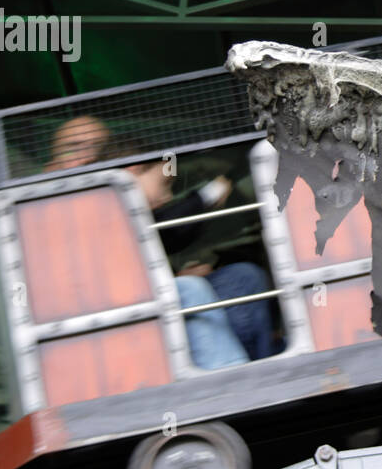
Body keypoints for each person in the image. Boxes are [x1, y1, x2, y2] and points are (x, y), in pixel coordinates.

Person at [113, 141, 278, 364]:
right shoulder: (108, 212)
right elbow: (170, 227)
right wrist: (207, 195)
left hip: (160, 299)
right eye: (165, 183)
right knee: (190, 289)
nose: (169, 196)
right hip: (136, 315)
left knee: (243, 277)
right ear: (132, 171)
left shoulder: (140, 217)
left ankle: (259, 366)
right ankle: (228, 369)